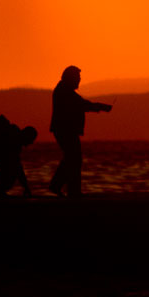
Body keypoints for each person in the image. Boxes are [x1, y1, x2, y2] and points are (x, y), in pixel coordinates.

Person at [48, 65, 112, 198]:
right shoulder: (64, 92)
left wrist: (97, 106)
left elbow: (81, 103)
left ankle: (63, 188)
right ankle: (68, 190)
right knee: (74, 159)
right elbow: (81, 104)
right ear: (70, 78)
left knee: (72, 159)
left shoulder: (64, 90)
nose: (79, 81)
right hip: (65, 130)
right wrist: (99, 106)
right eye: (77, 78)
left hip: (65, 130)